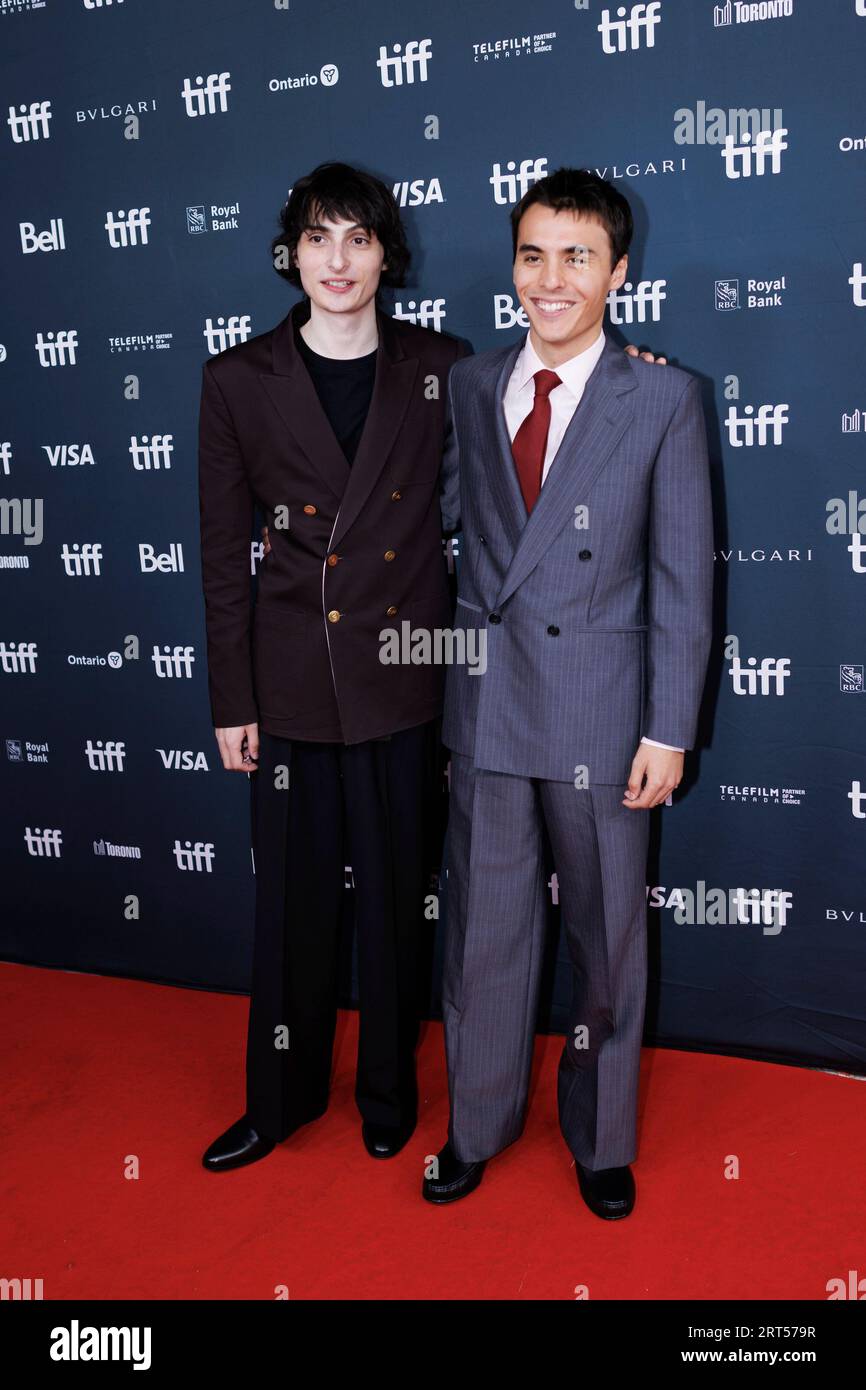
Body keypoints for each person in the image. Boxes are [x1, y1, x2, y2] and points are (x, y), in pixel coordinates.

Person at [424, 167, 714, 1217]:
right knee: (481, 935)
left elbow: (684, 573)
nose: (550, 280)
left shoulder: (664, 396)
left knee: (604, 943)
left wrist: (668, 727)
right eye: (532, 254)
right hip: (489, 705)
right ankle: (475, 1125)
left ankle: (598, 1139)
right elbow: (447, 524)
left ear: (618, 272)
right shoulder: (468, 383)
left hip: (602, 712)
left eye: (576, 257)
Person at [197, 162, 467, 1170]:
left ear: (386, 253)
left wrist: (634, 369)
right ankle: (281, 1099)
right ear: (291, 253)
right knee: (291, 910)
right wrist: (232, 697)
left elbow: (539, 421)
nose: (338, 259)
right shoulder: (235, 380)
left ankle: (388, 1094)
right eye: (318, 237)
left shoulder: (441, 366)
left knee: (399, 903)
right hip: (291, 682)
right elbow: (223, 556)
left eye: (357, 237)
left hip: (402, 678)